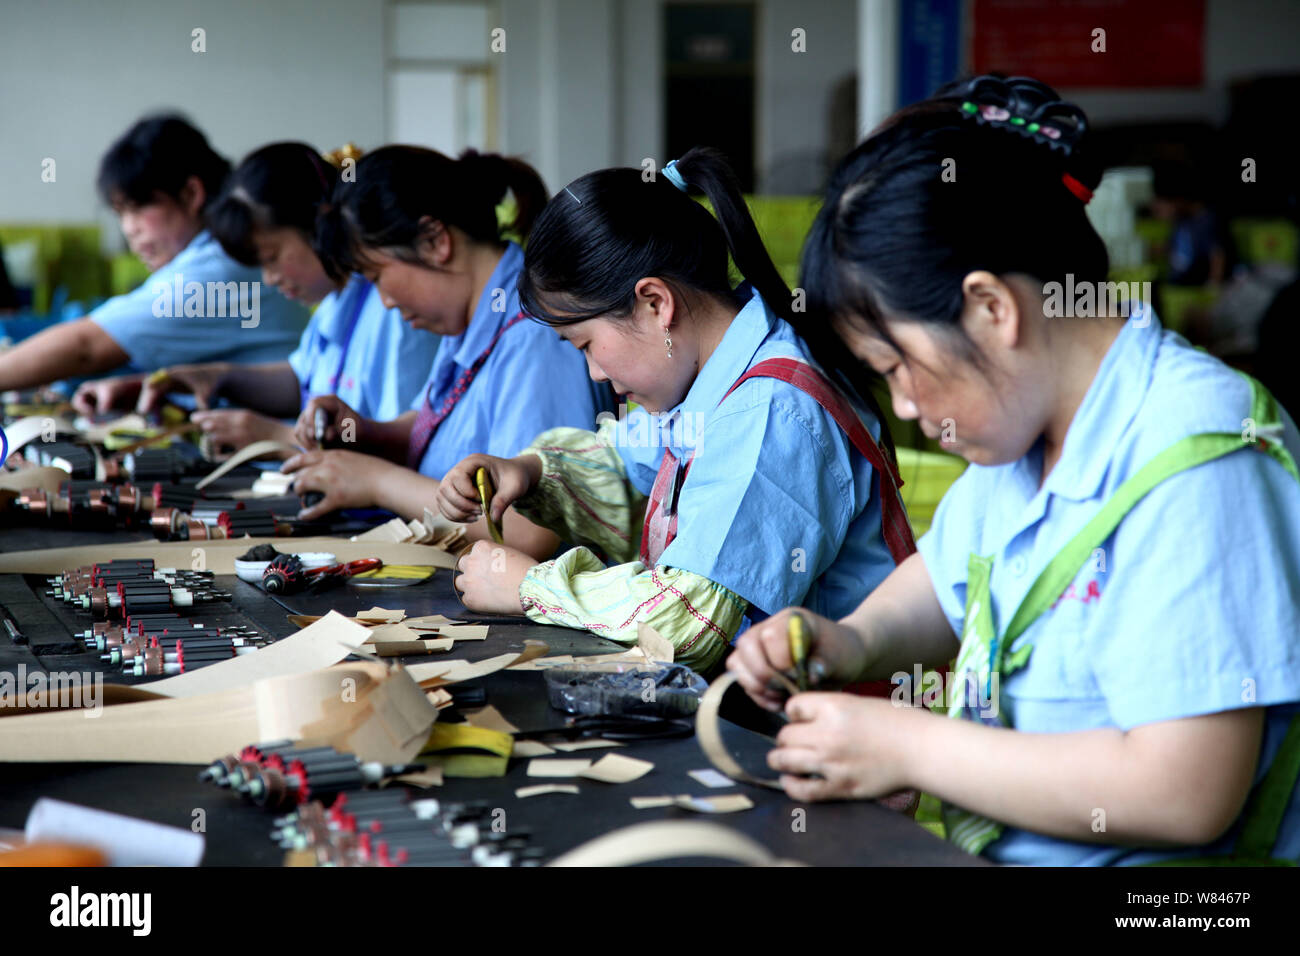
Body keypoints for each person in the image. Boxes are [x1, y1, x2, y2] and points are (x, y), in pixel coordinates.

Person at [728, 76, 1300, 865]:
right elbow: (956, 576)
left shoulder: (1198, 457)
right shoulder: (1025, 430)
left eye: (898, 366)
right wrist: (847, 641)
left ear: (992, 308)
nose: (902, 405)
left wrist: (909, 748)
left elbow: (1186, 791)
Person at [437, 147, 913, 674]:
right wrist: (529, 472)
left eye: (585, 345)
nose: (594, 374)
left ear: (655, 304)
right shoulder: (709, 375)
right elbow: (626, 461)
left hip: (831, 728)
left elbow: (688, 623)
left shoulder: (772, 408)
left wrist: (529, 587)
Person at [281, 146, 611, 559]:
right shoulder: (471, 319)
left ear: (435, 240)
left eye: (377, 276)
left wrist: (378, 481)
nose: (383, 301)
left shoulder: (535, 335)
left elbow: (530, 533)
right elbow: (434, 432)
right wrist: (366, 434)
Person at [72, 142, 437, 457]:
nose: (269, 278)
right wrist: (214, 378)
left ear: (318, 227)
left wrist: (274, 436)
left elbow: (402, 442)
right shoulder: (336, 301)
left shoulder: (395, 310)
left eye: (272, 256)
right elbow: (304, 379)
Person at [0, 115, 308, 392]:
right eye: (120, 213)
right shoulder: (216, 257)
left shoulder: (221, 267)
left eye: (137, 208)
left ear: (190, 195)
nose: (128, 229)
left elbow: (86, 347)